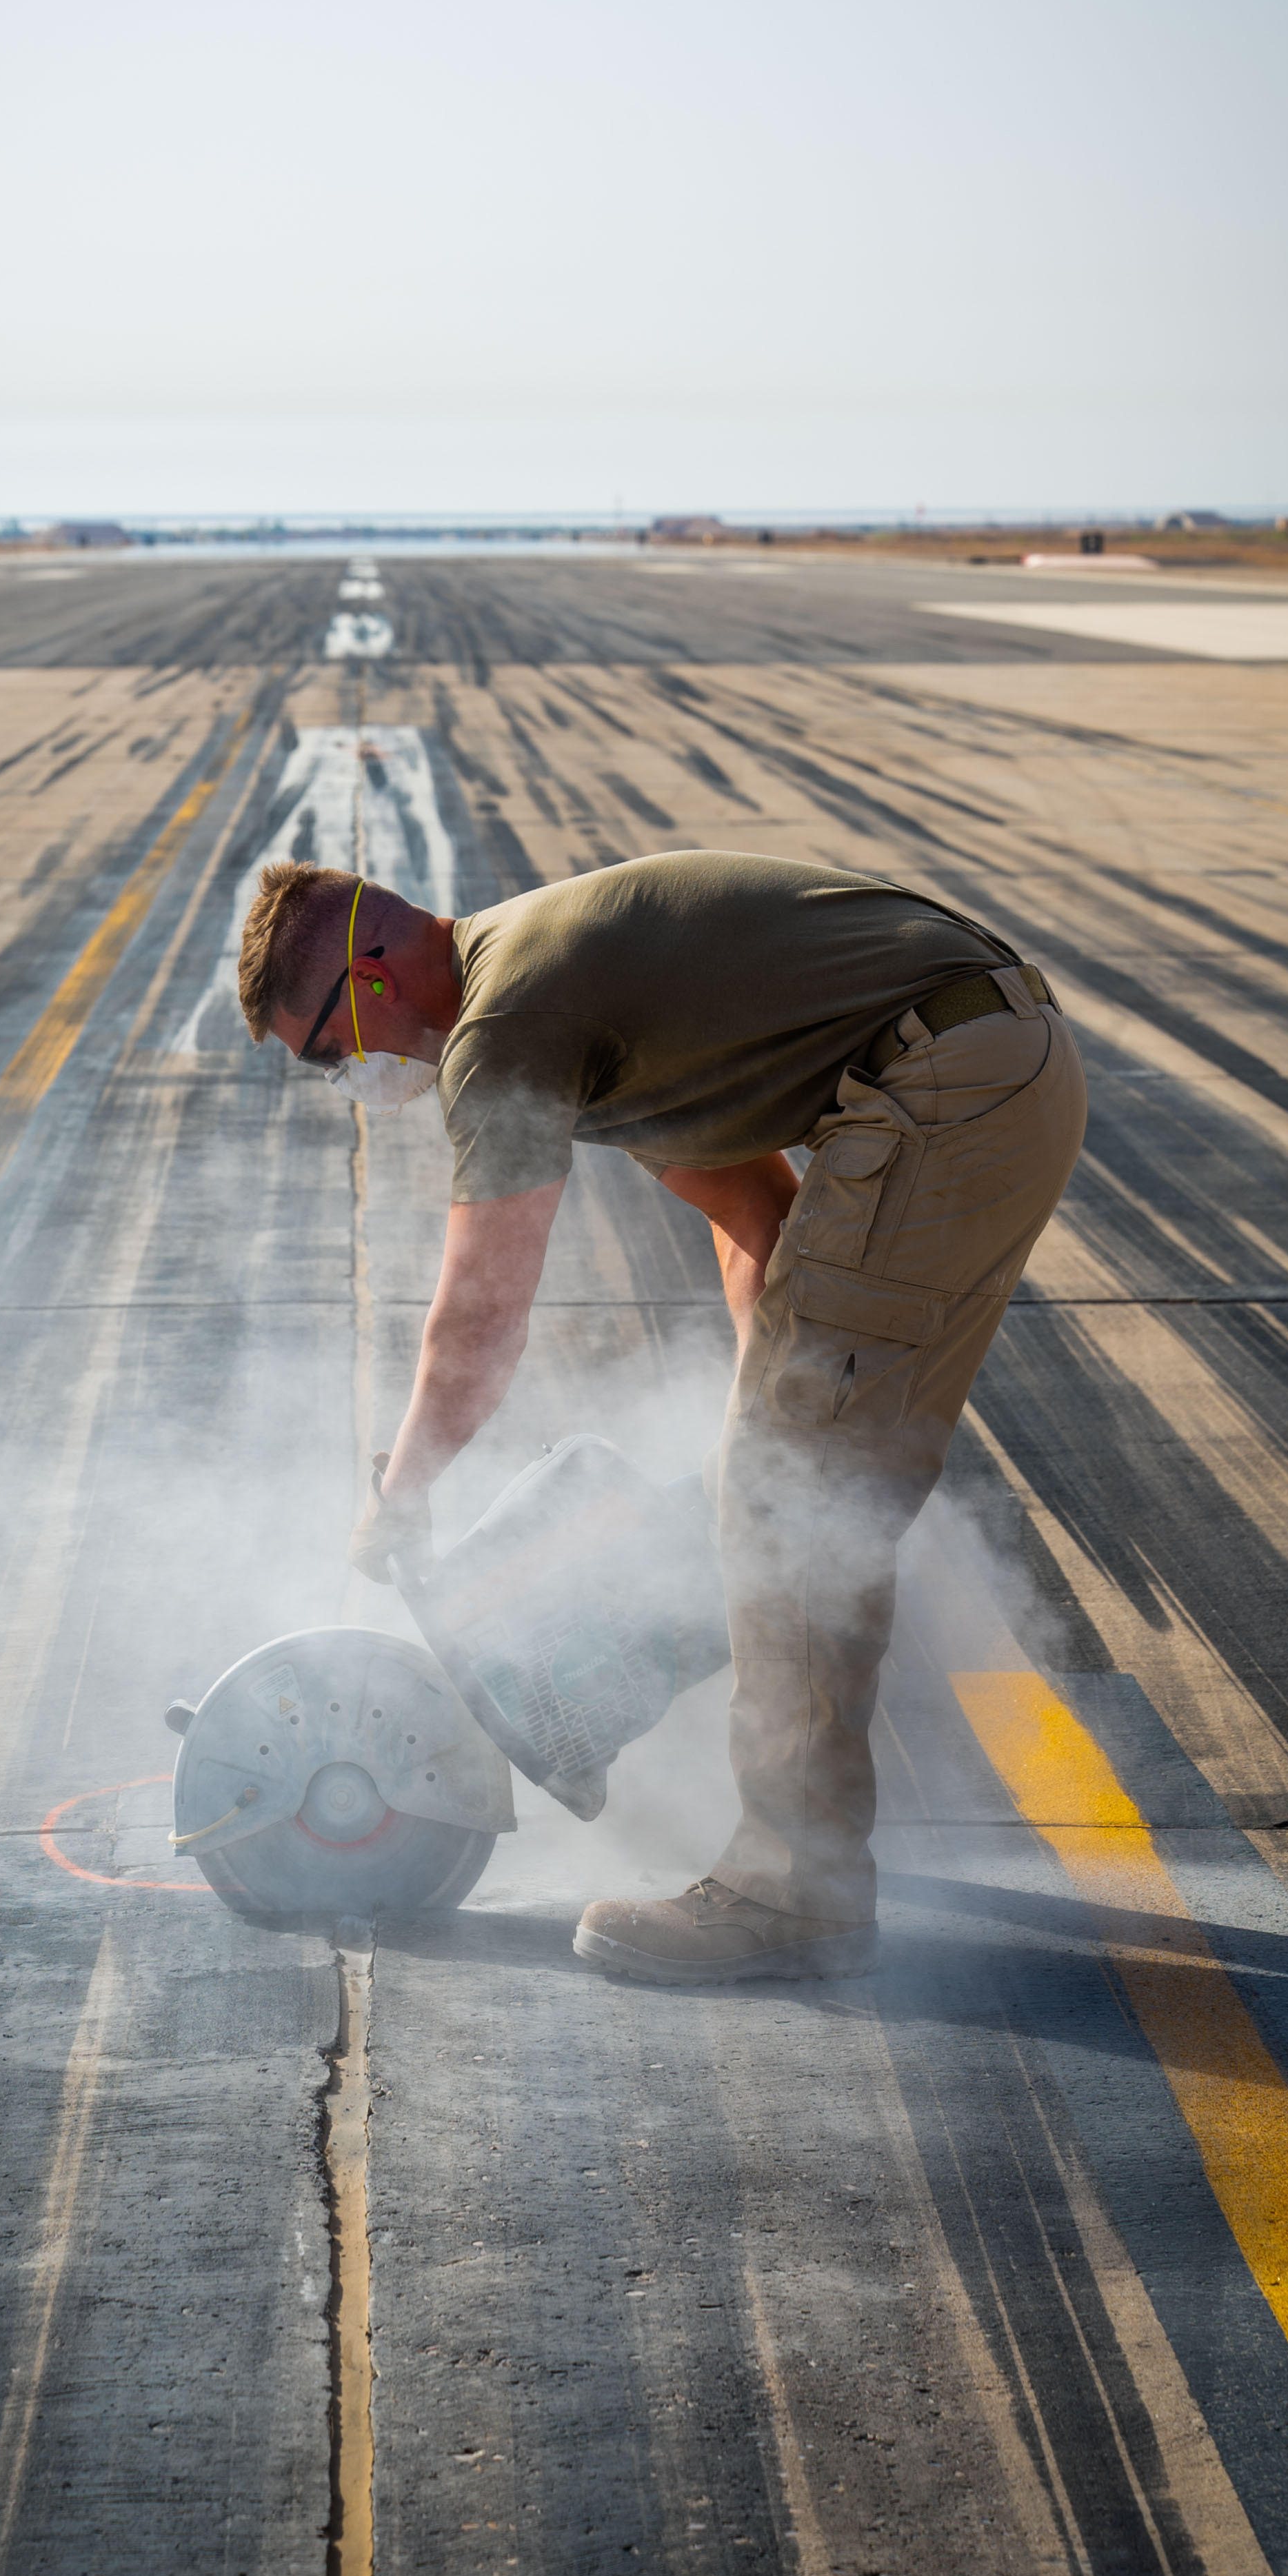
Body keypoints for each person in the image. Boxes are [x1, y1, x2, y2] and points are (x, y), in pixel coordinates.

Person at [237, 849, 1085, 1984]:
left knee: (794, 1499)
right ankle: (807, 1832)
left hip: (948, 1086)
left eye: (330, 1050)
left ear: (372, 967)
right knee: (783, 1476)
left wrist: (404, 1497)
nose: (354, 1077)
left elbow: (483, 1313)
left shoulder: (506, 1026)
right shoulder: (569, 977)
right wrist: (767, 1423)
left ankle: (792, 1891)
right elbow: (753, 1213)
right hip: (984, 1062)